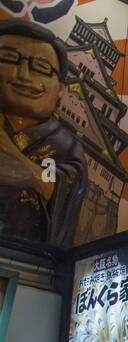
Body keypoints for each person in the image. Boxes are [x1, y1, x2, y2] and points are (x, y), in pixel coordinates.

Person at [0, 21, 87, 246]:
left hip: (28, 259)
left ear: (60, 90)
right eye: (9, 59)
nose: (23, 75)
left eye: (40, 68)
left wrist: (16, 158)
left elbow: (64, 193)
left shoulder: (65, 145)